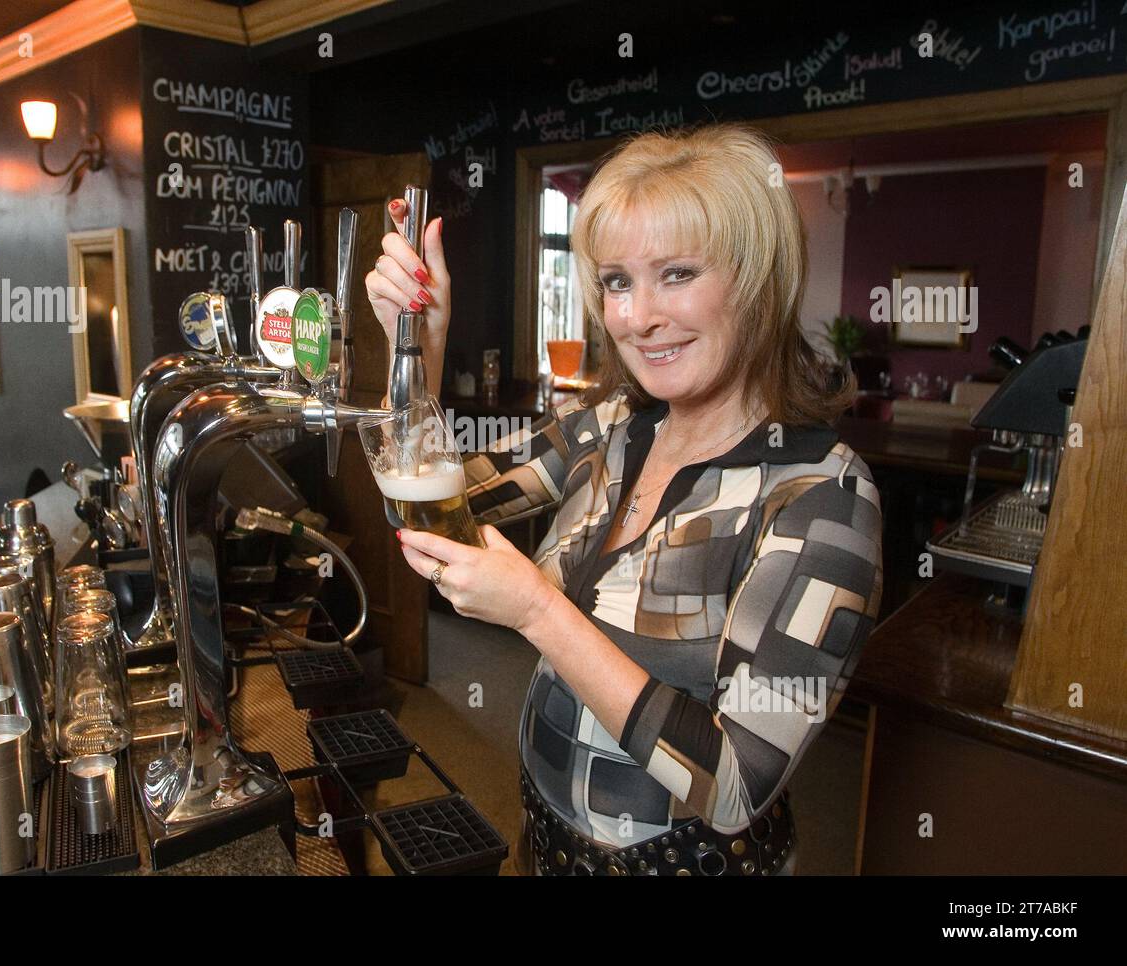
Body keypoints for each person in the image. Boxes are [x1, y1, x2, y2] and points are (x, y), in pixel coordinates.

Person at [364, 122, 883, 877]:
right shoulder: (609, 428)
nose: (638, 317)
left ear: (757, 279)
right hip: (547, 839)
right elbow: (423, 510)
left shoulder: (822, 496)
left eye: (676, 273)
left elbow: (736, 784)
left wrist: (540, 610)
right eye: (616, 281)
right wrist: (421, 348)